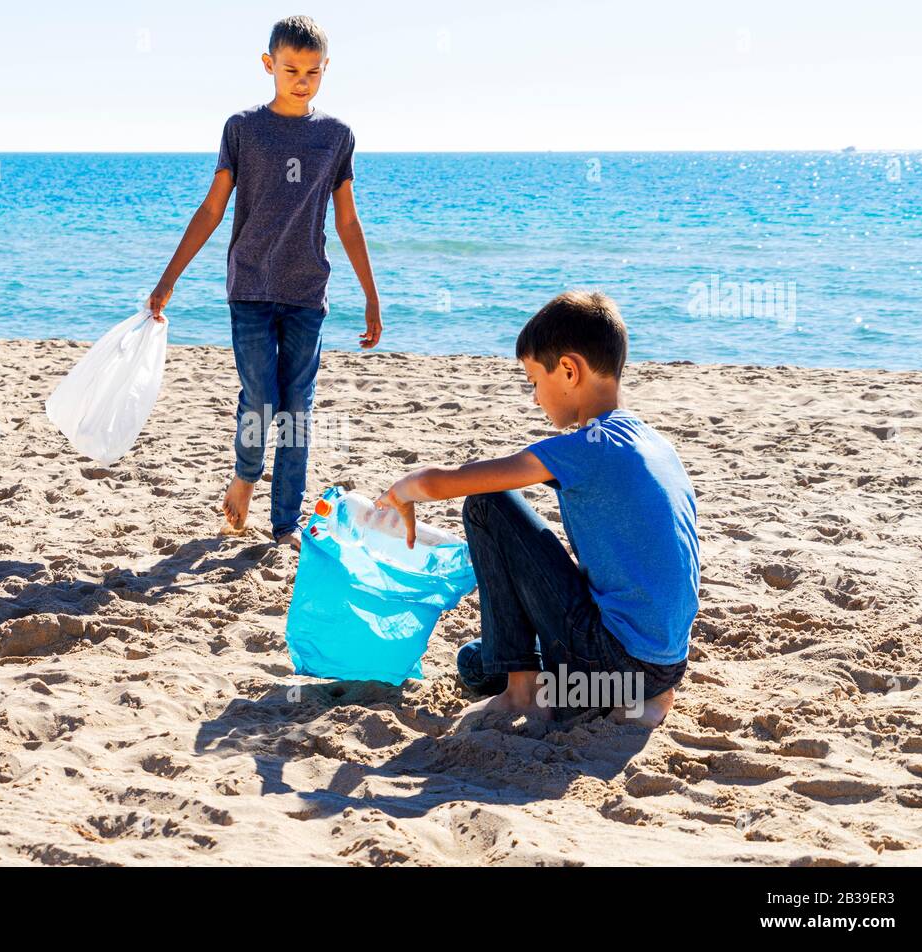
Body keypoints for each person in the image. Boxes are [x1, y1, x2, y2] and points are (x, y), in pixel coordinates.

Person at [375, 291, 699, 726]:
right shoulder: (655, 444)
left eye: (533, 382)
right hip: (661, 670)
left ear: (568, 370)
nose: (534, 398)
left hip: (610, 665)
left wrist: (405, 490)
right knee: (475, 662)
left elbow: (451, 482)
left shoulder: (587, 447)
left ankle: (522, 697)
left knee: (488, 505)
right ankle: (635, 700)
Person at [148, 14, 382, 549]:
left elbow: (346, 220)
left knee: (297, 407)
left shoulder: (336, 137)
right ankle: (246, 477)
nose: (302, 80)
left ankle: (285, 523)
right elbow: (211, 209)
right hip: (250, 287)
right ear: (268, 65)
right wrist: (169, 281)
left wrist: (371, 295)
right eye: (291, 68)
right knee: (260, 400)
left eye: (313, 71)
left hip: (306, 294)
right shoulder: (242, 129)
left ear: (326, 70)